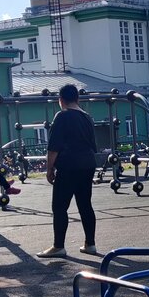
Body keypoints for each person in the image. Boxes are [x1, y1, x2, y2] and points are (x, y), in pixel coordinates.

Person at [38, 84, 98, 258]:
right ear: (77, 99)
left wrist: (49, 168)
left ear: (61, 100)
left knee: (59, 206)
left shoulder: (62, 116)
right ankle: (90, 244)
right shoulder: (87, 117)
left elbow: (53, 147)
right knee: (85, 204)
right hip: (88, 163)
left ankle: (58, 246)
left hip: (69, 165)